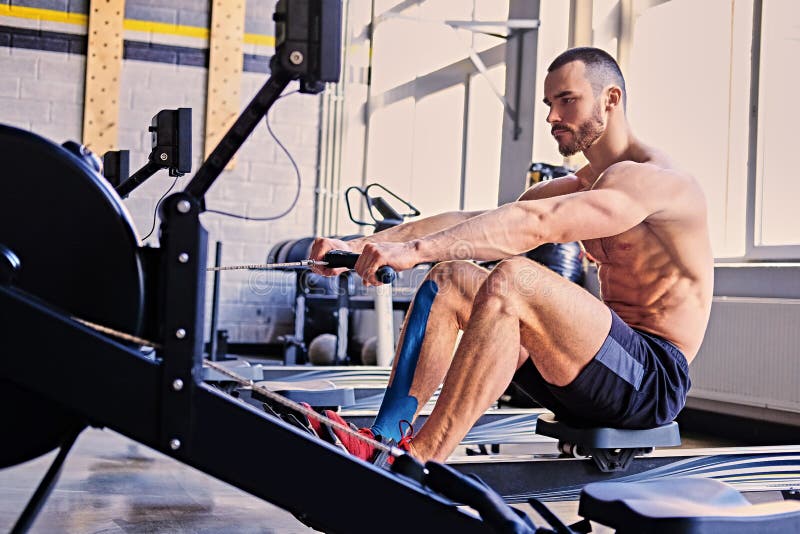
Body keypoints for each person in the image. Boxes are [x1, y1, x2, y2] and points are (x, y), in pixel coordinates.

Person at [309, 46, 713, 464]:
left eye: (567, 100)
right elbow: (477, 219)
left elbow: (537, 223)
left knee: (514, 279)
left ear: (610, 100)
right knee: (451, 278)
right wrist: (356, 246)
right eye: (549, 104)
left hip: (650, 382)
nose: (552, 117)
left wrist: (414, 252)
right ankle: (383, 440)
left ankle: (418, 460)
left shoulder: (659, 182)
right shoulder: (581, 185)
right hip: (586, 372)